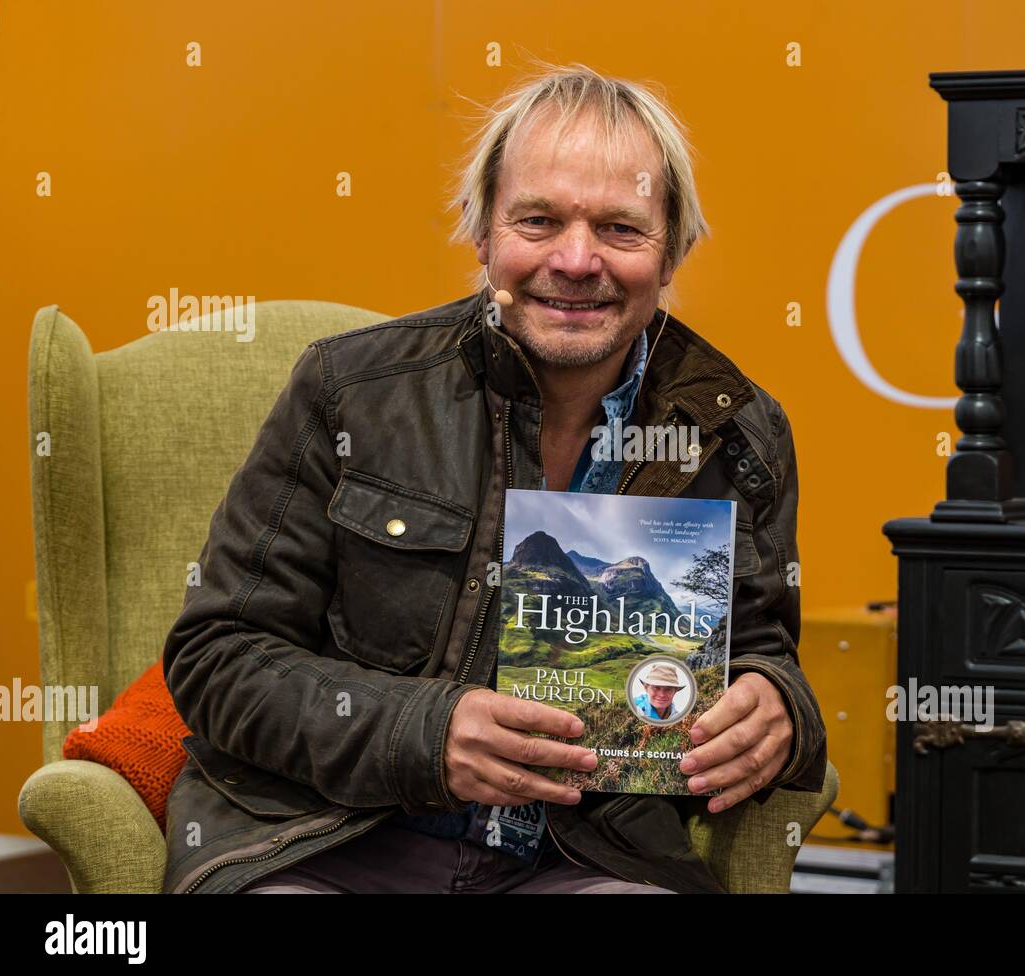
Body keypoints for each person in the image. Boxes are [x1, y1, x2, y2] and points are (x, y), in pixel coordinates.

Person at [161, 60, 827, 896]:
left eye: (621, 229)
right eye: (539, 221)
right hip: (325, 838)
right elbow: (217, 657)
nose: (577, 260)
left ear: (673, 253)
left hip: (582, 858)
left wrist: (778, 712)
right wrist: (426, 731)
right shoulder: (349, 392)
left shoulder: (737, 432)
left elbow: (761, 654)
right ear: (484, 236)